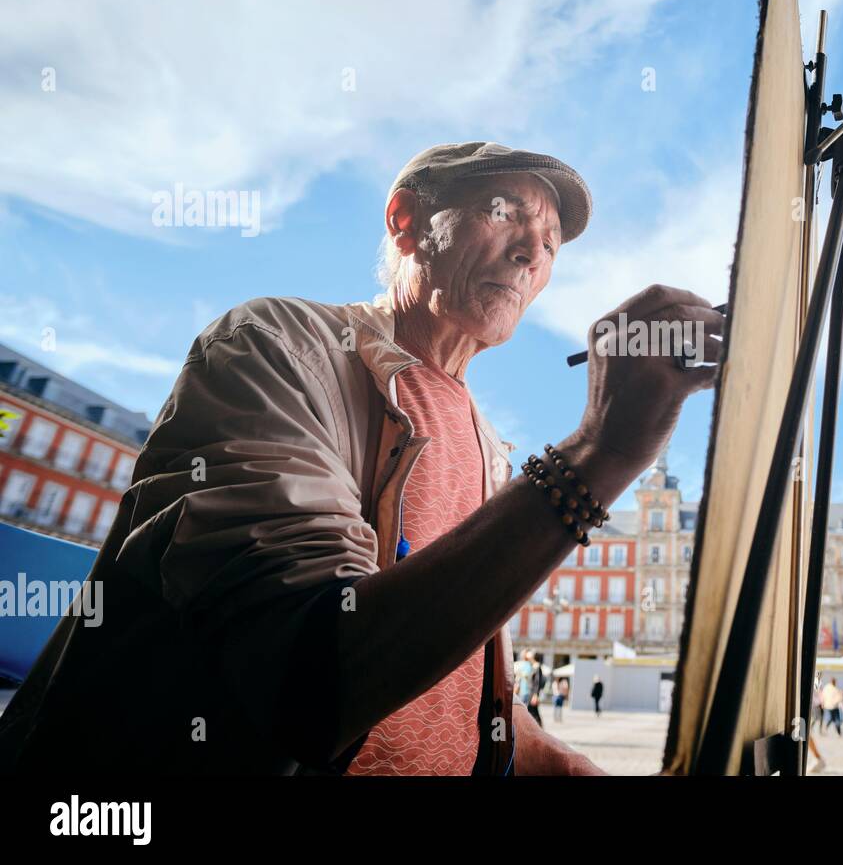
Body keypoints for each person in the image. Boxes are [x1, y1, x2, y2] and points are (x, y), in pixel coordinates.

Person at [0, 141, 722, 775]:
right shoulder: (278, 345)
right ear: (405, 220)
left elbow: (458, 688)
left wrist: (560, 765)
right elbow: (302, 679)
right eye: (506, 212)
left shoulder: (491, 451)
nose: (534, 252)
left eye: (552, 241)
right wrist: (601, 452)